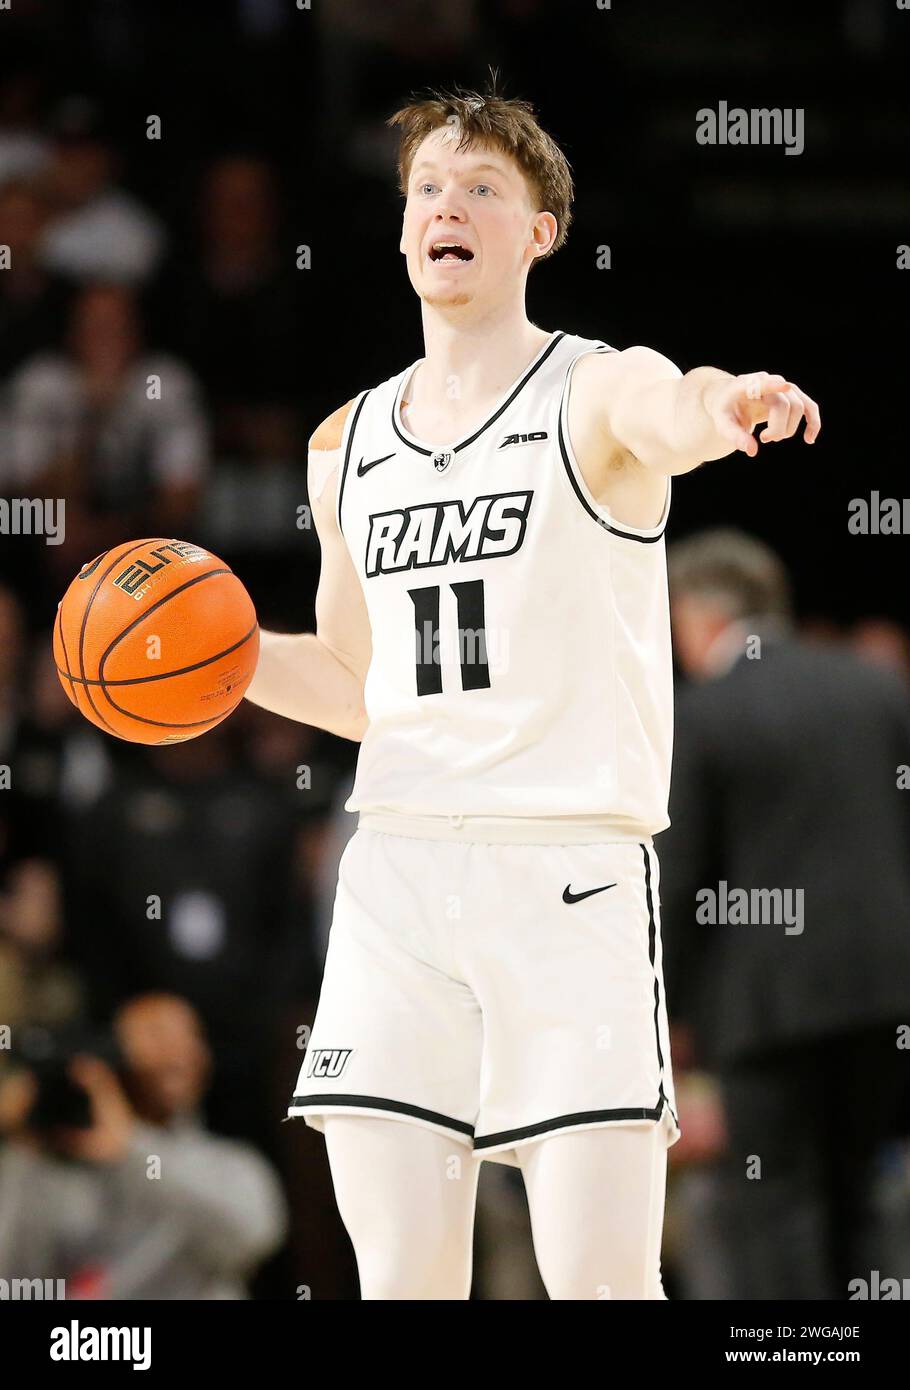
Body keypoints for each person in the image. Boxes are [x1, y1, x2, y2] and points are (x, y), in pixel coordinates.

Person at [245, 83, 821, 1300]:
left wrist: (725, 407)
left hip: (566, 870)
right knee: (400, 1279)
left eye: (481, 188)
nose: (445, 206)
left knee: (598, 1283)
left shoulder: (592, 389)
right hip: (397, 868)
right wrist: (226, 654)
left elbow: (671, 405)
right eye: (426, 189)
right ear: (402, 228)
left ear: (539, 230)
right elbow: (359, 681)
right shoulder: (344, 442)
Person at [659, 528, 910, 1299]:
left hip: (766, 1008)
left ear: (696, 615)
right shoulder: (875, 688)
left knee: (773, 1208)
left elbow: (682, 879)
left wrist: (671, 1009)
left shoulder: (702, 715)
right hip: (885, 993)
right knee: (862, 1198)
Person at [0, 994, 288, 1299]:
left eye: (190, 1037)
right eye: (155, 1035)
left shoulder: (228, 1165)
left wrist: (130, 1147)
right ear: (109, 1055)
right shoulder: (52, 1171)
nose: (176, 1049)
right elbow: (14, 1280)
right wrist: (26, 1144)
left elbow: (254, 1236)